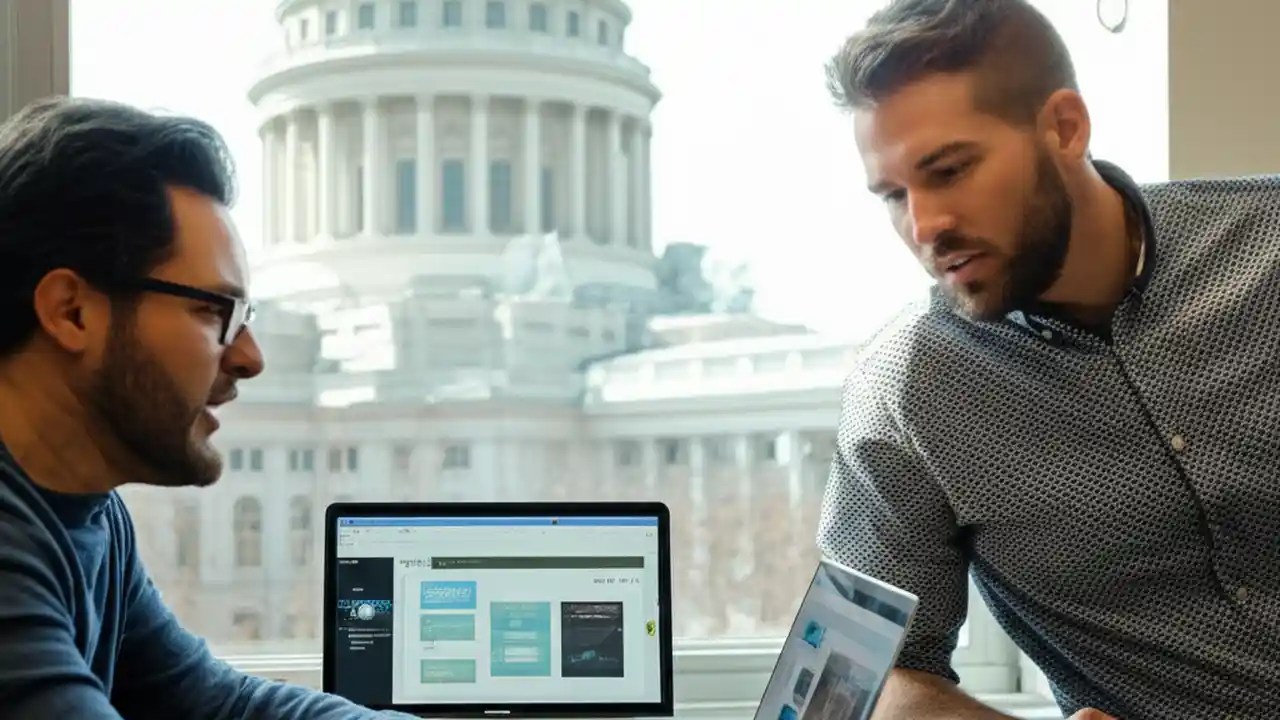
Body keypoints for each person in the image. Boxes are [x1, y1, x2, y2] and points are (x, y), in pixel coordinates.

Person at [819, 0, 1280, 718]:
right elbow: (849, 681)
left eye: (950, 170)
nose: (924, 225)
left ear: (1065, 128)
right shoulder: (906, 392)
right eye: (892, 195)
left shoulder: (1269, 249)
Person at [0, 97, 411, 718]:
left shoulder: (87, 514)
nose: (249, 357)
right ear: (71, 312)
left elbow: (215, 702)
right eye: (214, 311)